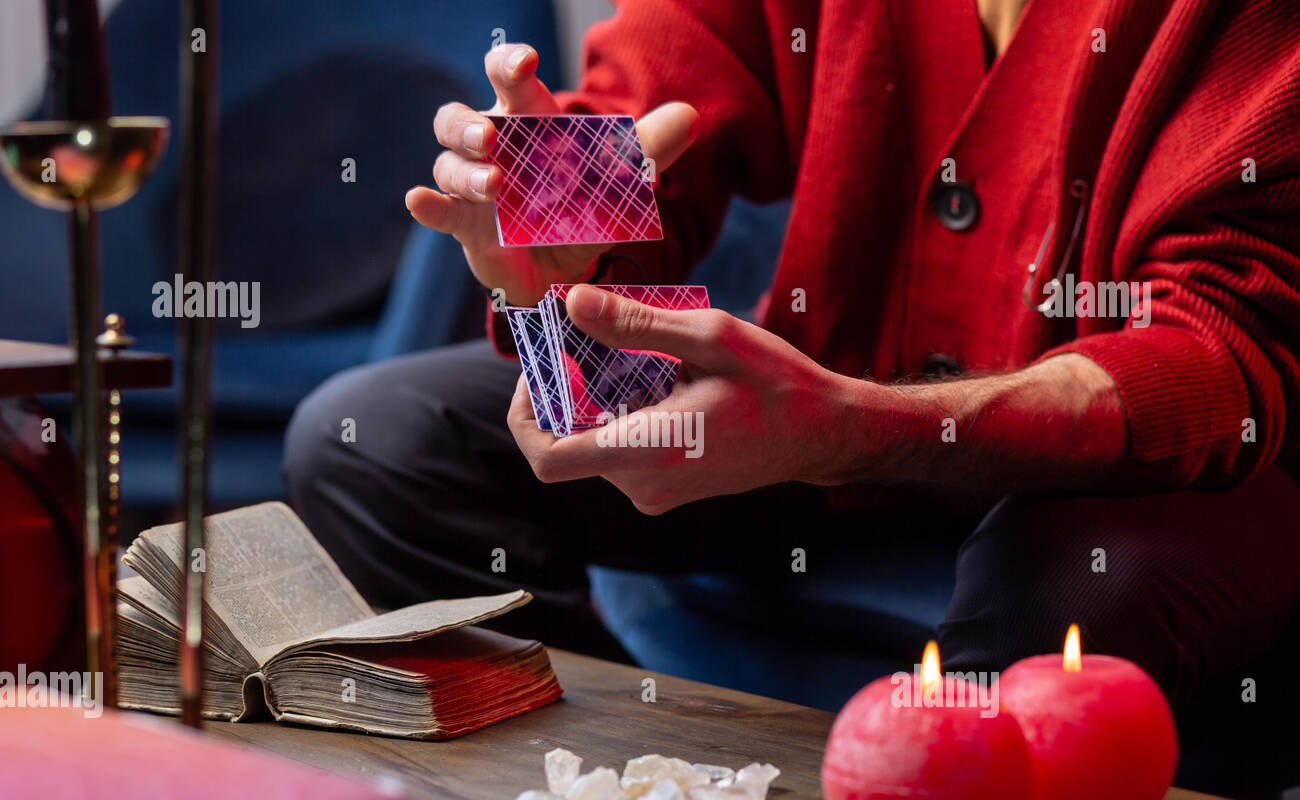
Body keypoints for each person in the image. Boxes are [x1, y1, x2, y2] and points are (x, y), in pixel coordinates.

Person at [285, 0, 1300, 710]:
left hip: (1157, 474)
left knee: (1064, 596)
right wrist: (551, 211)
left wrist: (858, 427)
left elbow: (1215, 353)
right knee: (376, 443)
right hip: (823, 414)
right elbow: (646, 123)